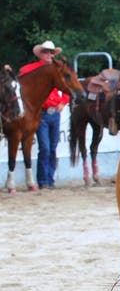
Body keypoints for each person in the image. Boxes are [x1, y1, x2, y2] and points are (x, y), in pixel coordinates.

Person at [17, 40, 69, 189]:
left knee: (52, 147)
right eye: (46, 51)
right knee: (45, 147)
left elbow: (68, 86)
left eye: (51, 52)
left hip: (55, 112)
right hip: (42, 112)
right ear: (40, 54)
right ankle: (43, 180)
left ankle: (50, 178)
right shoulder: (30, 69)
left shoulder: (58, 70)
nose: (49, 54)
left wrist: (63, 102)